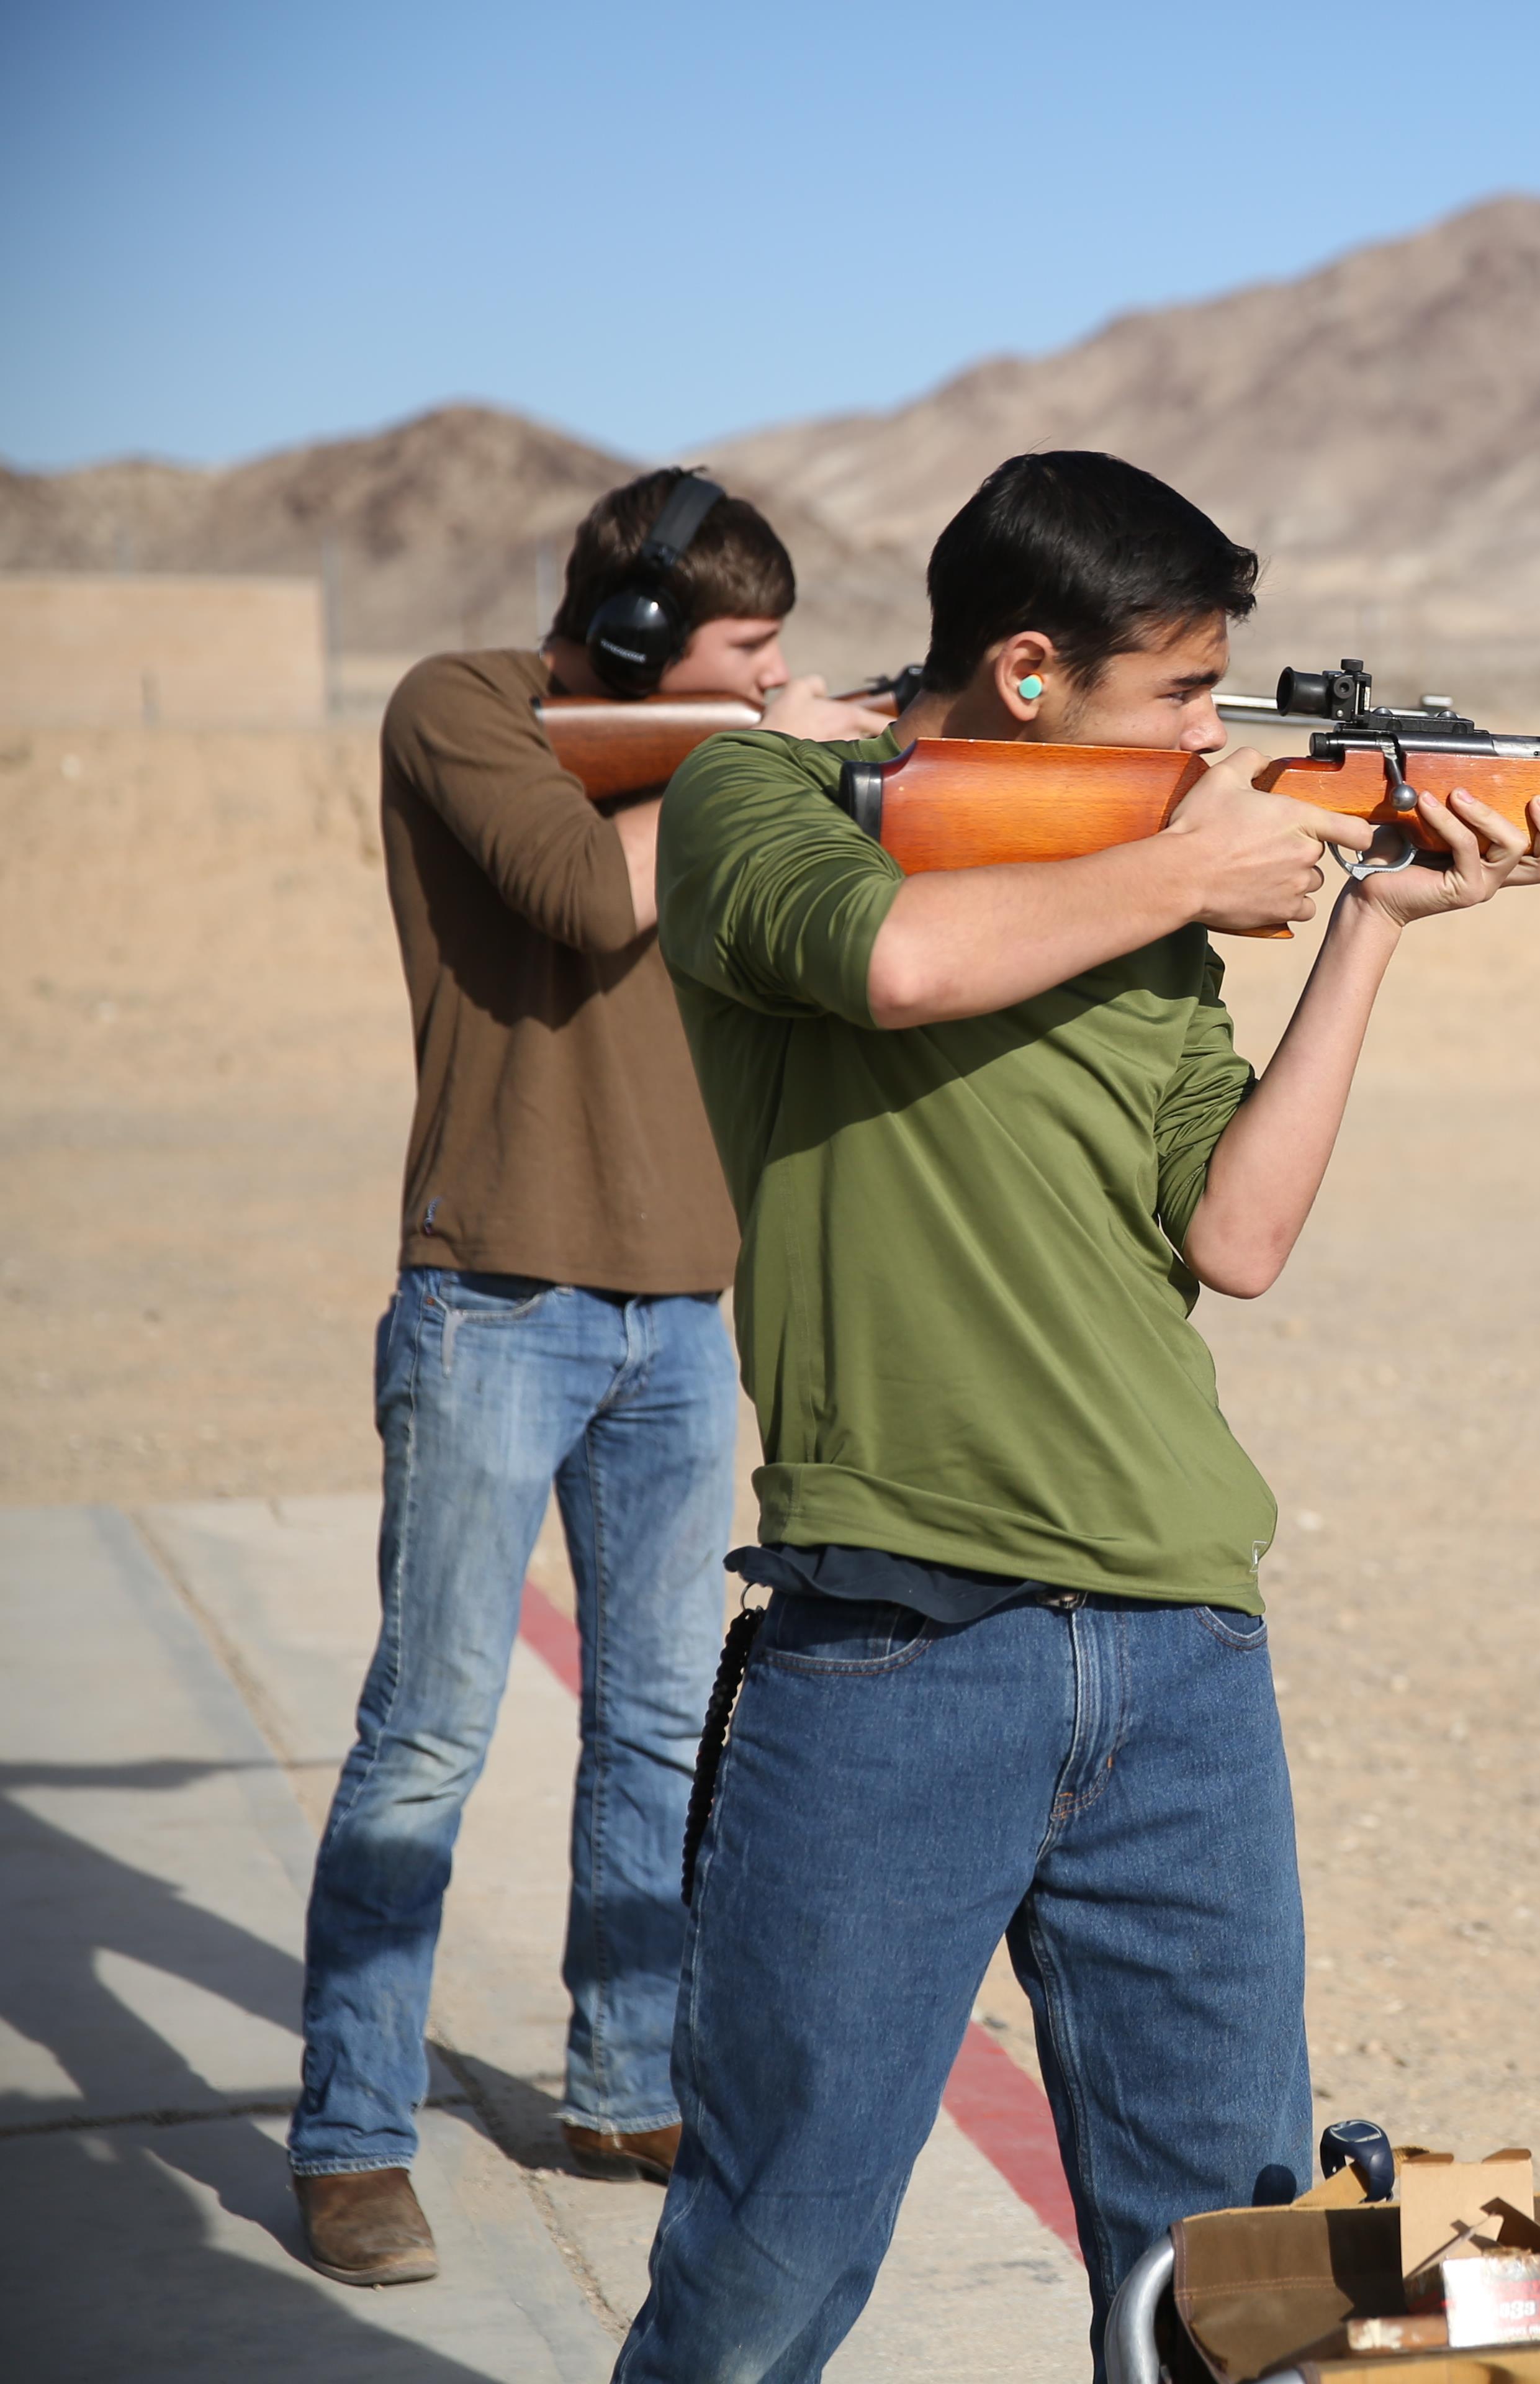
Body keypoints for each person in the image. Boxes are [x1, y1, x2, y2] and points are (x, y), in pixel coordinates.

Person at [613, 449, 1540, 2378]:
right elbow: (889, 962)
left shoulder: (1145, 917)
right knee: (770, 2262)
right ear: (1031, 675)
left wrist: (1366, 931)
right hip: (893, 1654)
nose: (1213, 739)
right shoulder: (766, 798)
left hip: (1180, 1654)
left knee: (1234, 2282)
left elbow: (1236, 1237)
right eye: (1180, 694)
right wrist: (1183, 867)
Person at [289, 471, 888, 2287]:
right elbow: (585, 892)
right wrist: (757, 756)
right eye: (748, 653)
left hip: (677, 1316)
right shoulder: (461, 707)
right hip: (493, 1302)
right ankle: (350, 2136)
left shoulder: (710, 757)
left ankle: (628, 2081)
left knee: (649, 1732)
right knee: (429, 1740)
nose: (777, 681)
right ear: (637, 644)